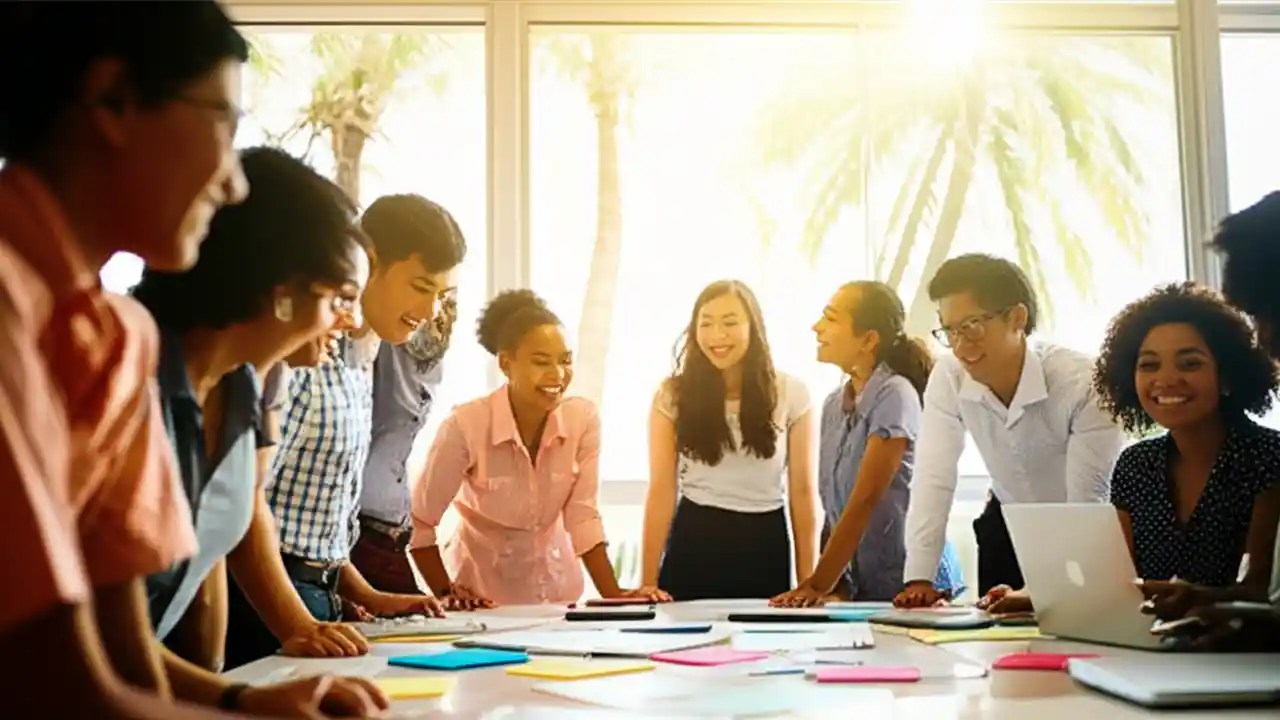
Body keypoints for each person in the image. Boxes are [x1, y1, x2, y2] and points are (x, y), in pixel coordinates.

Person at [0, 2, 273, 717]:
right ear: (114, 102)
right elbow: (55, 688)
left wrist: (246, 704)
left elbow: (128, 671)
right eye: (227, 125)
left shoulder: (123, 338)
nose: (235, 184)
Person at [131, 147, 390, 717]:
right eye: (341, 298)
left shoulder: (244, 384)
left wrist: (226, 687)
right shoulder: (129, 376)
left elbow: (220, 547)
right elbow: (106, 644)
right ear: (281, 287)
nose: (350, 320)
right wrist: (240, 700)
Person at [227, 193, 461, 667]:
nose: (432, 309)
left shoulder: (362, 360)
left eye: (442, 295)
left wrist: (369, 595)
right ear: (372, 261)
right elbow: (245, 508)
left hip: (318, 596)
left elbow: (315, 527)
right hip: (268, 605)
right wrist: (295, 624)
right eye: (421, 286)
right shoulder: (302, 358)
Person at [984, 283, 1280, 617]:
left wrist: (1198, 598)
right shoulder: (1137, 464)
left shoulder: (1269, 458)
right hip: (1149, 651)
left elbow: (1261, 593)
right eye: (1149, 365)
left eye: (1190, 364)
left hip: (1239, 656)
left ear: (1227, 375)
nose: (1166, 379)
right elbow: (1111, 581)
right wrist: (1035, 596)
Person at [410, 290, 669, 606]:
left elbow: (582, 515)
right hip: (483, 603)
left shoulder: (582, 420)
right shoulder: (465, 425)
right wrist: (447, 593)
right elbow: (420, 521)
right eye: (541, 362)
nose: (557, 375)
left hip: (559, 602)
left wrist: (614, 596)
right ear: (506, 363)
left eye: (565, 360)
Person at [895, 254, 1125, 608]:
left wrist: (1053, 593)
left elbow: (1088, 501)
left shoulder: (1083, 383)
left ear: (1017, 318)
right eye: (949, 331)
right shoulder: (949, 376)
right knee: (997, 640)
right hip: (1007, 525)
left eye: (971, 326)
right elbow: (933, 477)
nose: (959, 345)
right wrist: (920, 578)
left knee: (1079, 629)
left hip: (1083, 526)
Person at [1139, 194, 1280, 651]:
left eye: (1267, 312)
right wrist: (1228, 610)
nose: (1267, 340)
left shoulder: (1265, 457)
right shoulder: (1138, 466)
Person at [772, 282, 966, 607]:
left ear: (868, 339)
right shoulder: (834, 405)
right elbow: (837, 513)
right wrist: (833, 589)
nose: (816, 327)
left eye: (831, 318)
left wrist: (817, 585)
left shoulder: (895, 393)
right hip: (865, 590)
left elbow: (865, 499)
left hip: (914, 589)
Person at [641, 280, 820, 601]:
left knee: (765, 647)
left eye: (730, 323)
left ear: (754, 327)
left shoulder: (792, 392)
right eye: (706, 323)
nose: (716, 335)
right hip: (695, 537)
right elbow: (661, 489)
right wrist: (647, 581)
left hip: (764, 541)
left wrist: (809, 582)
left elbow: (803, 492)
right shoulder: (672, 395)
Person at [351, 309, 455, 595]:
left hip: (391, 535)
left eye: (449, 297)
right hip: (358, 536)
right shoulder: (376, 339)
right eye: (424, 285)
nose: (438, 310)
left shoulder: (430, 361)